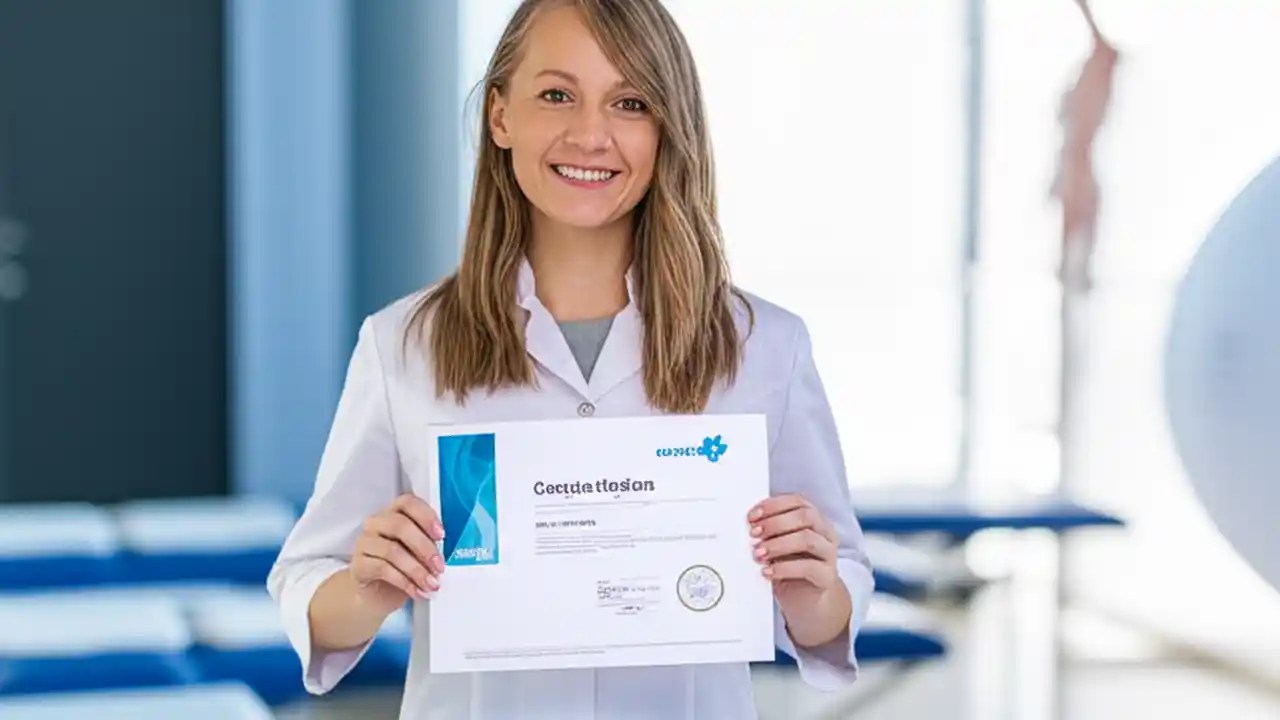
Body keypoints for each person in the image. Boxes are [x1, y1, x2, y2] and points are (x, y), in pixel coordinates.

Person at [268, 1, 875, 717]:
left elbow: (835, 595)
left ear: (668, 127)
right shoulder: (404, 343)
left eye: (630, 102)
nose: (590, 135)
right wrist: (368, 588)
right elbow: (309, 584)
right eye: (557, 94)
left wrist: (812, 592)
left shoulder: (765, 345)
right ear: (500, 115)